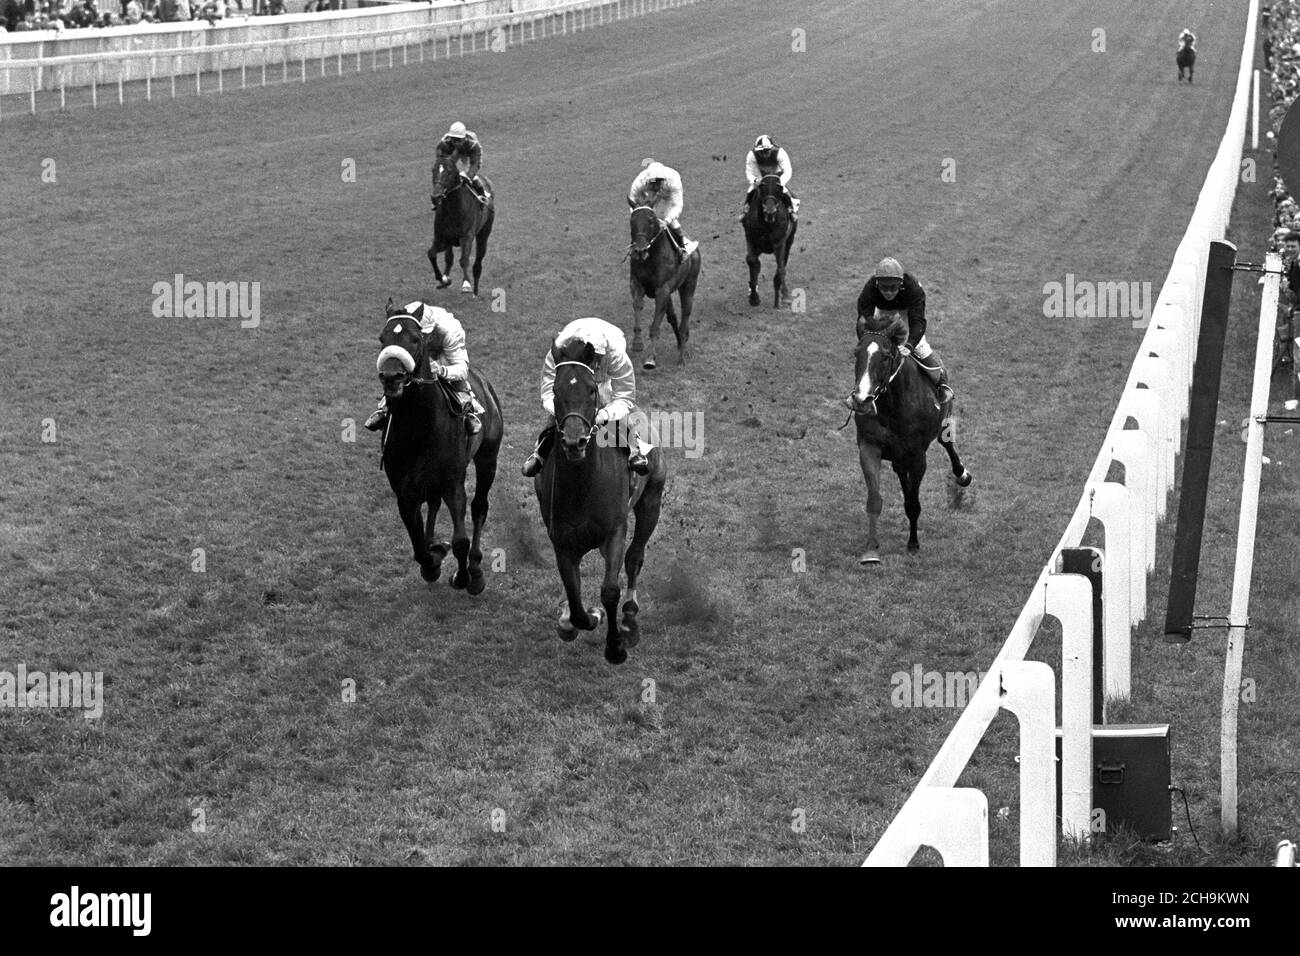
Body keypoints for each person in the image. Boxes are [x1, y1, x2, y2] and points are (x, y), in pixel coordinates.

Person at [520, 317, 651, 477]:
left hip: (605, 381)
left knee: (607, 398)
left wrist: (603, 415)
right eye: (593, 358)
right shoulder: (559, 352)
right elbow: (548, 392)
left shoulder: (616, 355)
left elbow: (625, 397)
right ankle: (539, 453)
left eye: (598, 358)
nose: (596, 363)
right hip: (570, 374)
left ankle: (634, 451)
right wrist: (562, 412)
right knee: (561, 407)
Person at [364, 301, 483, 435]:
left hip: (442, 351)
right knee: (398, 371)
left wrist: (441, 370)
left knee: (451, 375)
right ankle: (384, 408)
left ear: (431, 331)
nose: (424, 338)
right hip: (413, 343)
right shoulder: (407, 321)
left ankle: (469, 410)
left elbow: (462, 369)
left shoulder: (451, 331)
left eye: (426, 335)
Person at [856, 257, 955, 407]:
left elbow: (918, 321)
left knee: (921, 349)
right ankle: (858, 392)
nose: (888, 293)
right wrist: (869, 341)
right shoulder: (870, 288)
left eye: (893, 288)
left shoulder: (913, 288)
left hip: (906, 315)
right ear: (877, 284)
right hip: (881, 314)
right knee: (870, 354)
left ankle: (942, 384)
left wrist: (909, 345)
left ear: (901, 284)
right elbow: (864, 318)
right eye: (884, 288)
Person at [627, 158, 696, 256]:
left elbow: (677, 205)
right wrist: (638, 216)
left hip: (667, 195)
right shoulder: (640, 181)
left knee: (663, 215)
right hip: (647, 193)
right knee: (644, 220)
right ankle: (636, 245)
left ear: (663, 180)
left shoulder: (673, 181)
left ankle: (682, 246)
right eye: (653, 182)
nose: (655, 185)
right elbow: (633, 199)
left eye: (658, 182)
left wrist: (666, 221)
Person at [739, 134, 799, 221]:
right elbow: (749, 172)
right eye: (761, 152)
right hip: (761, 176)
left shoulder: (780, 153)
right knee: (751, 190)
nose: (764, 155)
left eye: (766, 151)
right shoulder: (752, 155)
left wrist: (780, 182)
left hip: (777, 175)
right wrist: (756, 181)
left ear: (771, 148)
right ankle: (746, 210)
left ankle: (791, 210)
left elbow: (787, 171)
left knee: (785, 190)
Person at [432, 121, 491, 203]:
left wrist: (469, 176)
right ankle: (438, 197)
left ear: (464, 138)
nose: (456, 143)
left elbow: (475, 164)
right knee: (445, 175)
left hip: (467, 153)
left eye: (459, 140)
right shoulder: (444, 144)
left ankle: (482, 194)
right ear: (450, 137)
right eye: (454, 140)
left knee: (467, 173)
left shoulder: (473, 144)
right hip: (450, 153)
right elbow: (441, 161)